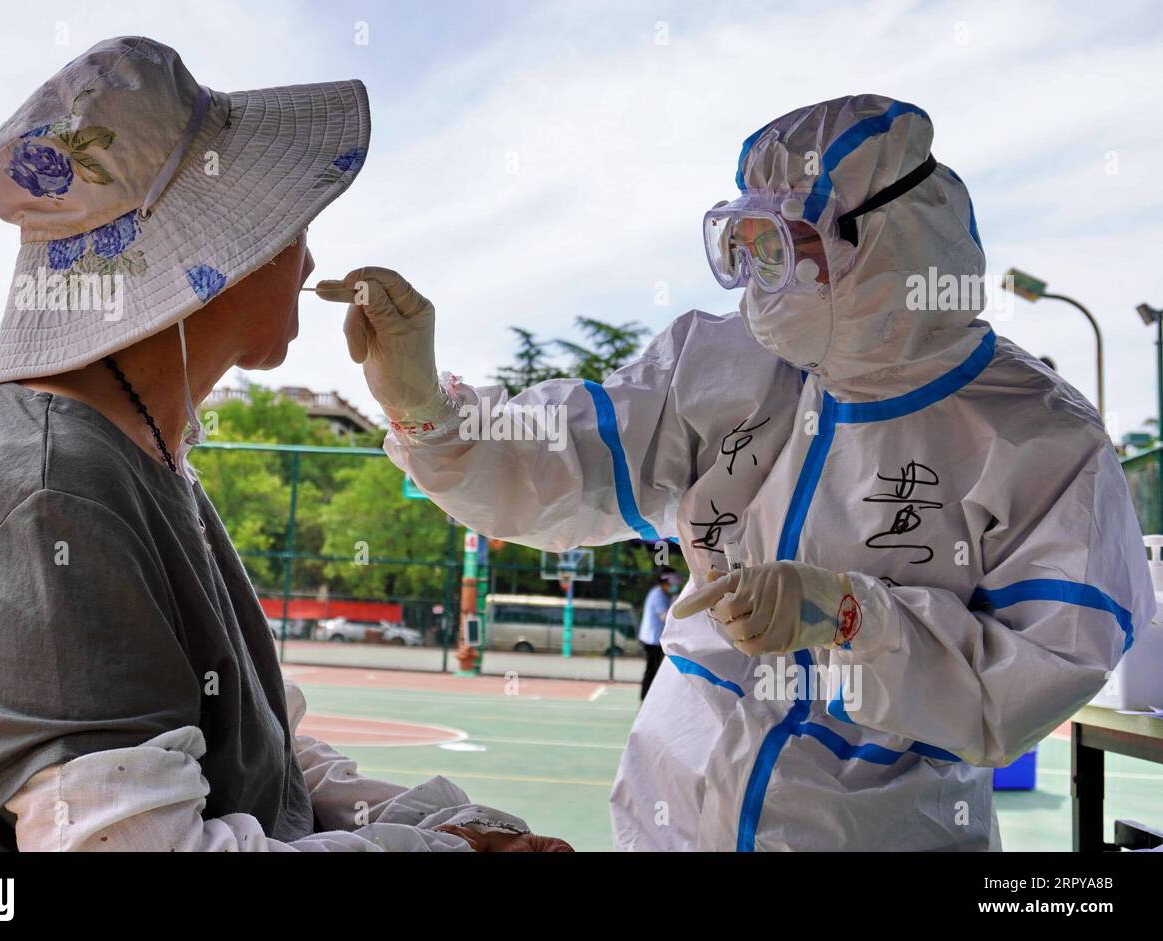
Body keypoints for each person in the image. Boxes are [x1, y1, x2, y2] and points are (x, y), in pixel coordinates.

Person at [317, 94, 1153, 851]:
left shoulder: (1042, 438)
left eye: (786, 248)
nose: (761, 282)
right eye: (745, 247)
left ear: (887, 242)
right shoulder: (719, 364)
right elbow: (558, 463)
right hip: (670, 816)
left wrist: (855, 615)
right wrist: (426, 407)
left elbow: (1024, 683)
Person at [0, 36, 569, 853]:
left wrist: (425, 820)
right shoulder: (46, 491)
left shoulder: (134, 457)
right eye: (290, 216)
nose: (309, 251)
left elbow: (248, 748)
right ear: (223, 252)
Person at [639, 568, 682, 700]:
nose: (674, 586)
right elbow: (664, 617)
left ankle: (652, 699)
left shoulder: (664, 594)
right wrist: (676, 605)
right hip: (652, 641)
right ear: (664, 582)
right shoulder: (657, 594)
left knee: (656, 672)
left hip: (657, 641)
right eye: (671, 583)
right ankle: (646, 700)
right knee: (652, 672)